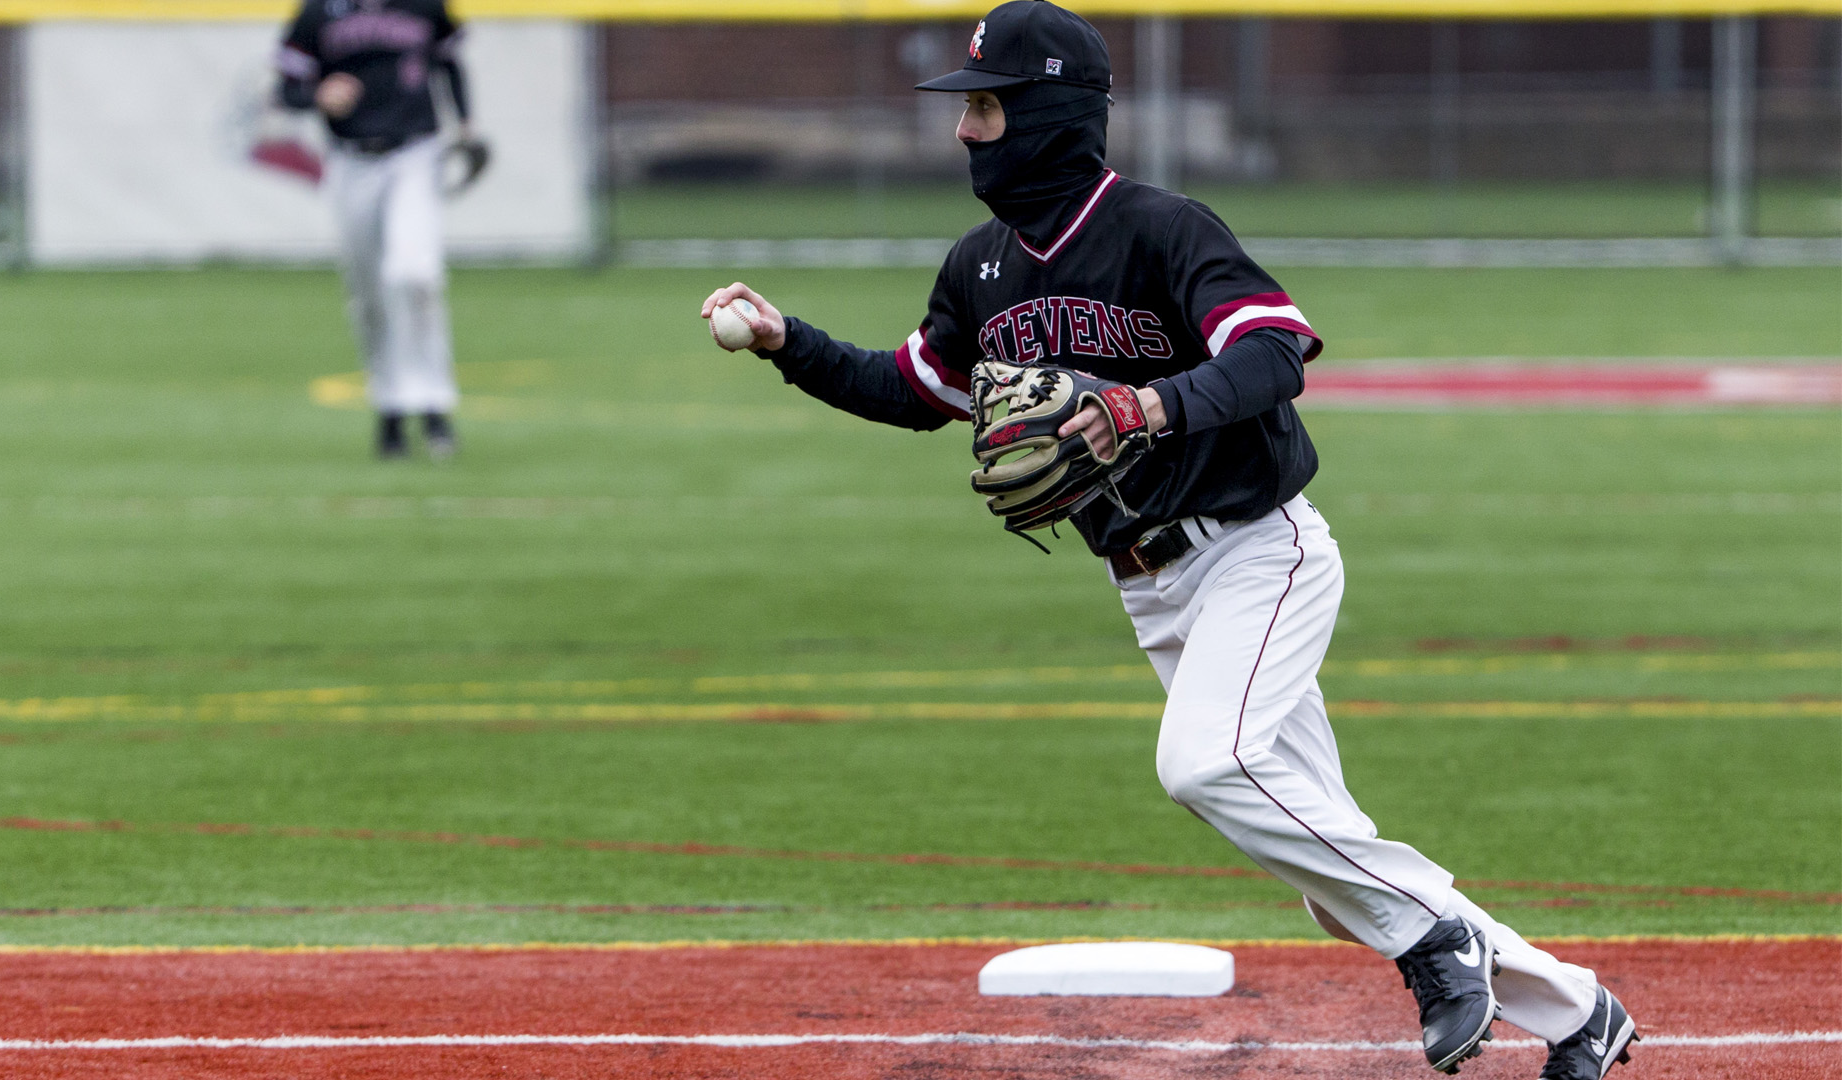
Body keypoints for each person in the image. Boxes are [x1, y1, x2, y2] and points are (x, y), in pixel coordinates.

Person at [699, 3, 1638, 1077]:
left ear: (1049, 113)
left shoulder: (1163, 230)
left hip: (1255, 553)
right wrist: (788, 343)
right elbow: (913, 389)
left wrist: (1150, 408)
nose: (965, 132)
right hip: (1150, 590)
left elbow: (1277, 352)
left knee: (1204, 765)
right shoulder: (982, 271)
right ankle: (1577, 1013)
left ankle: (1439, 940)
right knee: (1337, 881)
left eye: (987, 108)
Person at [275, 0, 468, 460]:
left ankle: (435, 404)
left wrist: (465, 121)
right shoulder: (318, 12)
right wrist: (317, 94)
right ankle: (391, 409)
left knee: (416, 274)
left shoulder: (423, 4)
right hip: (351, 160)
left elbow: (449, 62)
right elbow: (288, 89)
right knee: (369, 293)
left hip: (415, 154)